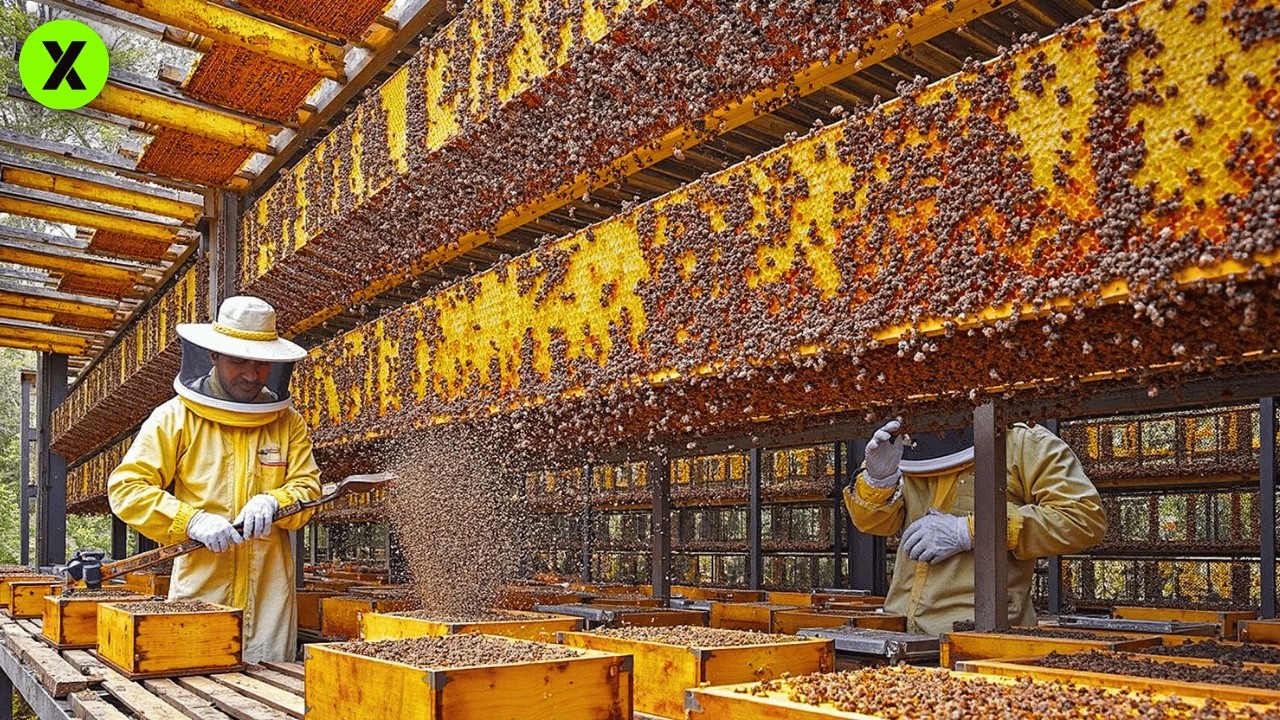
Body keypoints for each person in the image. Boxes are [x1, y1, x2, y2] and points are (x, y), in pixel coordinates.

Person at [108, 296, 321, 663]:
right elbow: (127, 488)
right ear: (213, 356)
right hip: (199, 596)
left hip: (270, 605)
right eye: (239, 361)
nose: (251, 374)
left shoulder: (288, 423)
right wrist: (190, 520)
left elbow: (308, 489)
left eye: (262, 363)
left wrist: (275, 502)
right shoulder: (175, 417)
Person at [845, 420, 1107, 635]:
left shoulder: (1025, 442)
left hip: (983, 636)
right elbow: (874, 524)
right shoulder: (906, 443)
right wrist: (878, 481)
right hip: (902, 630)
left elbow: (1083, 518)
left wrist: (971, 531)